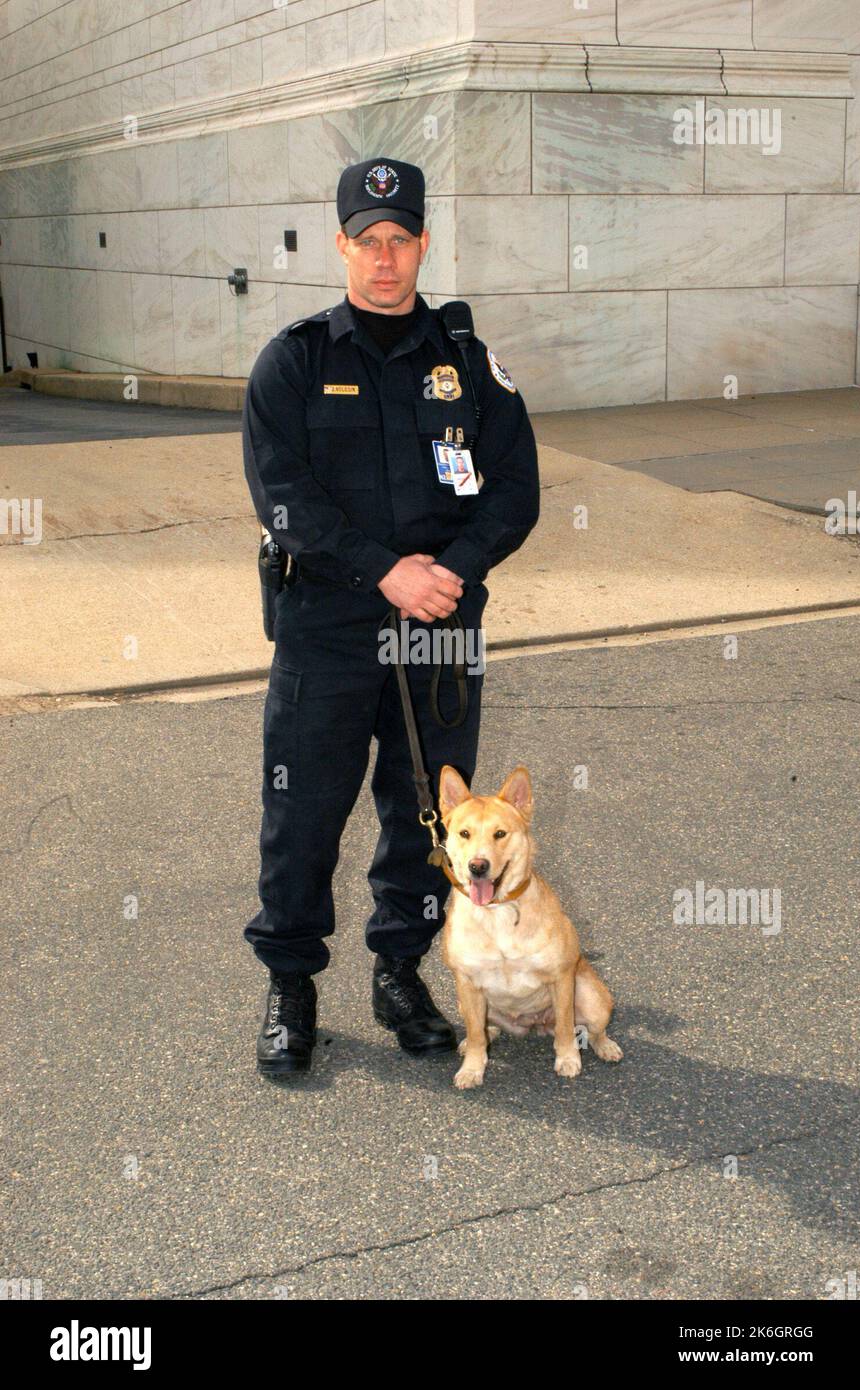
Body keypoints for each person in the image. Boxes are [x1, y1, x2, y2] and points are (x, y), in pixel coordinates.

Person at [242, 156, 540, 1078]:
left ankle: (400, 974)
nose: (384, 258)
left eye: (399, 240)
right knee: (303, 815)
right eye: (366, 241)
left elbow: (514, 493)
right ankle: (291, 988)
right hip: (327, 628)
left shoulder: (465, 361)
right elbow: (280, 497)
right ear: (340, 245)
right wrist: (385, 574)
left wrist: (444, 574)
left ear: (421, 244)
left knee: (429, 817)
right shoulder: (294, 360)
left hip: (440, 625)